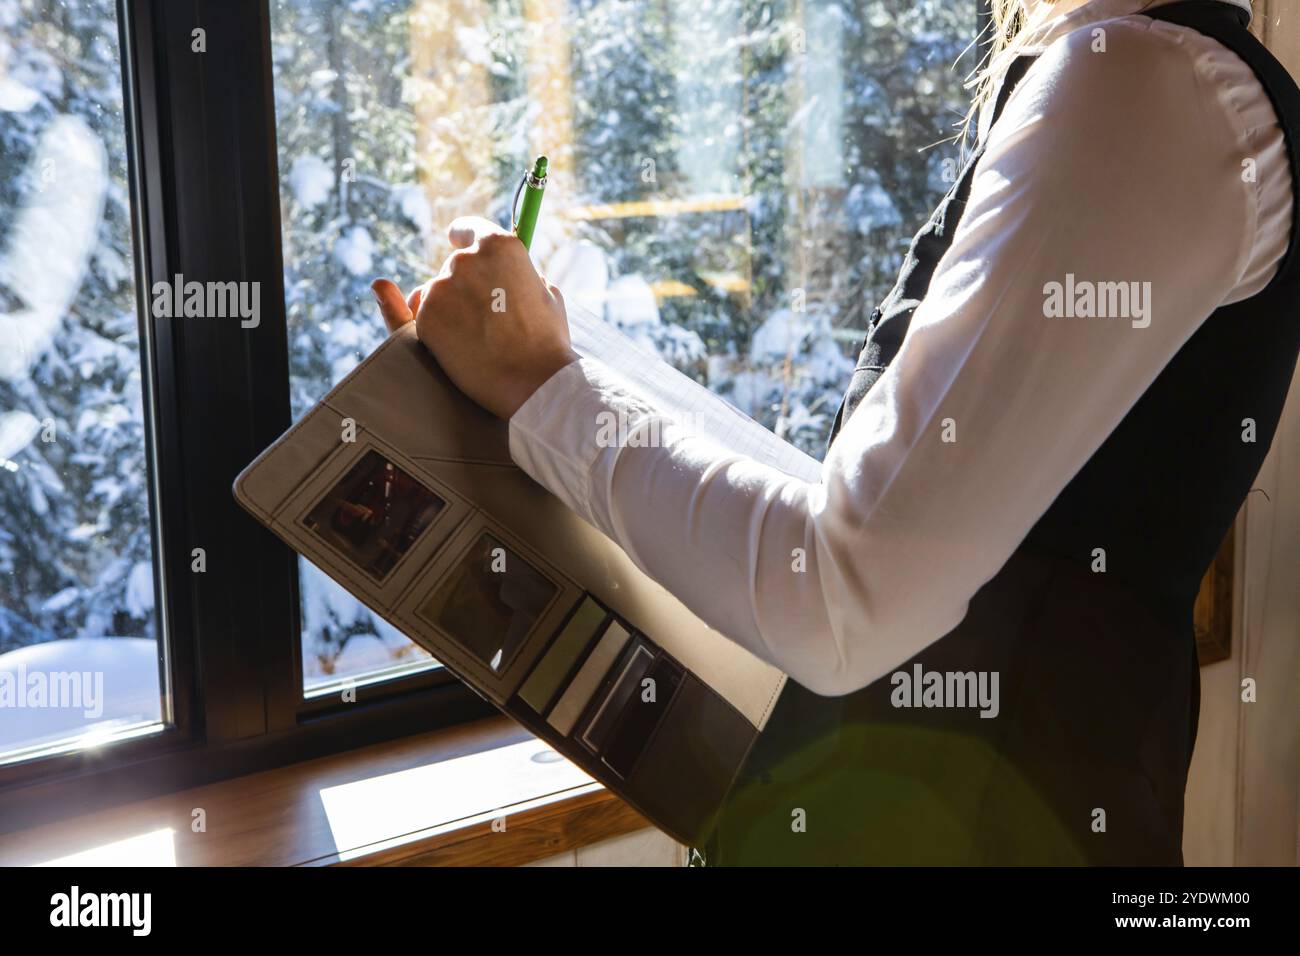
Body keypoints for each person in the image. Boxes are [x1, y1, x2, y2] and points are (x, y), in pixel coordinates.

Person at [371, 0, 1300, 864]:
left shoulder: (1145, 86)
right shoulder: (1144, 76)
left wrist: (539, 385)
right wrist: (528, 382)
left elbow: (844, 595)